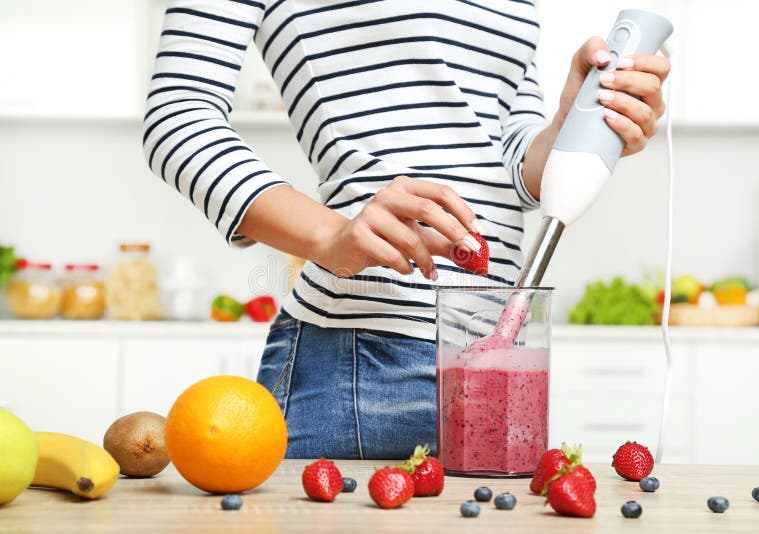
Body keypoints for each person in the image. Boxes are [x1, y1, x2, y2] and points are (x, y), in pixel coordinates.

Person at [143, 1, 669, 459]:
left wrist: (574, 123)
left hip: (498, 359)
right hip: (364, 361)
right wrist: (331, 237)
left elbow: (511, 162)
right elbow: (176, 117)